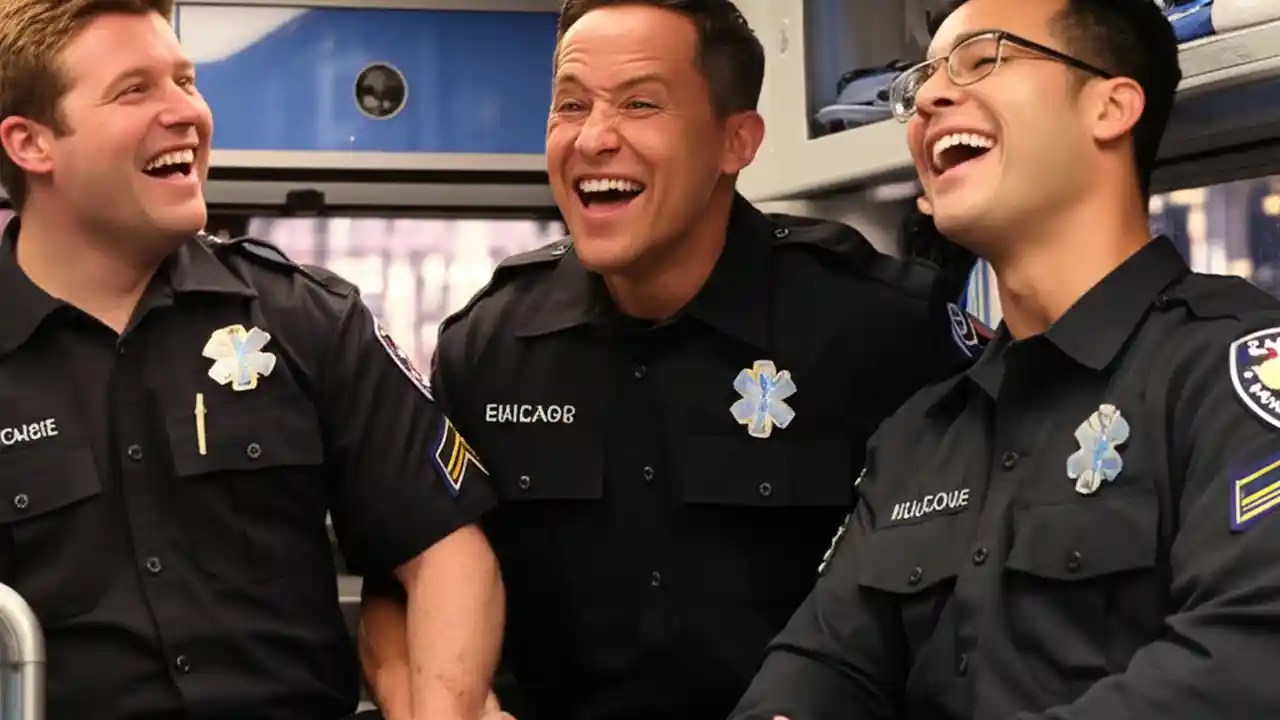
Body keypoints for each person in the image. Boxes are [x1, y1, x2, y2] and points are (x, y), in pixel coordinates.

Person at [357, 1, 986, 718]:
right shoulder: (490, 346)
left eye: (639, 104)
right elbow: (408, 578)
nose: (594, 137)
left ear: (735, 142)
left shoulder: (886, 329)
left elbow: (973, 603)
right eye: (570, 105)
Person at [731, 0, 1280, 717]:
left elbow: (1246, 664)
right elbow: (820, 667)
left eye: (982, 57)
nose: (927, 98)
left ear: (1111, 107)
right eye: (922, 79)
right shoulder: (920, 434)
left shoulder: (1232, 372)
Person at [0, 1, 503, 718]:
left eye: (186, 80)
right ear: (31, 143)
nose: (189, 113)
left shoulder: (307, 318)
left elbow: (446, 548)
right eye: (135, 90)